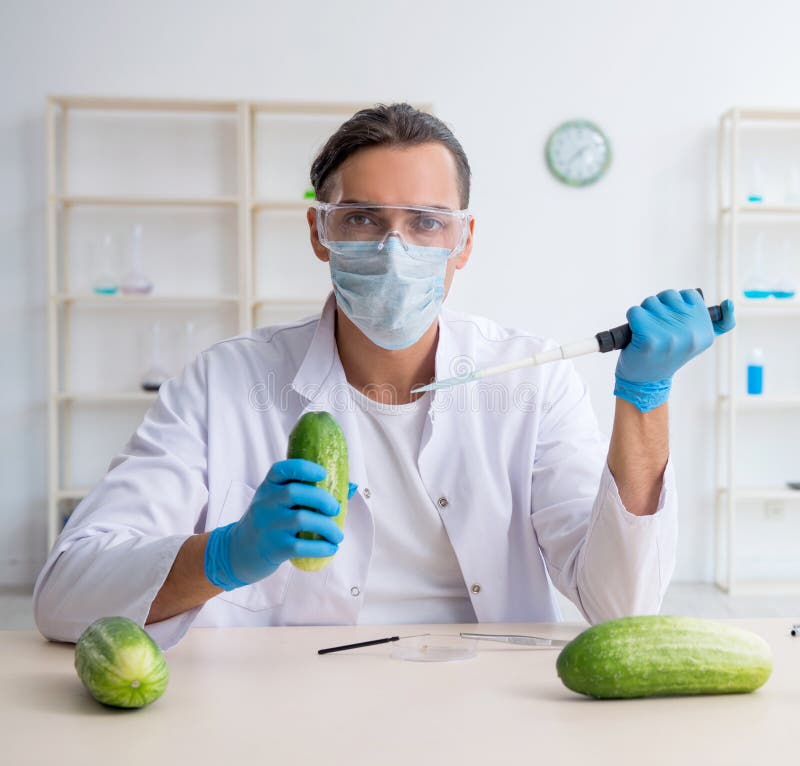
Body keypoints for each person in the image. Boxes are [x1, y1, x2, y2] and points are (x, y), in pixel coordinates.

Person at [34, 103, 735, 649]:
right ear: (320, 232)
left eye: (427, 223)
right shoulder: (225, 384)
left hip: (486, 701)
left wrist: (645, 397)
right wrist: (224, 554)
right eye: (363, 218)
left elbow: (622, 607)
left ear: (463, 242)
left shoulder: (532, 382)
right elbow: (65, 594)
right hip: (282, 707)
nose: (395, 250)